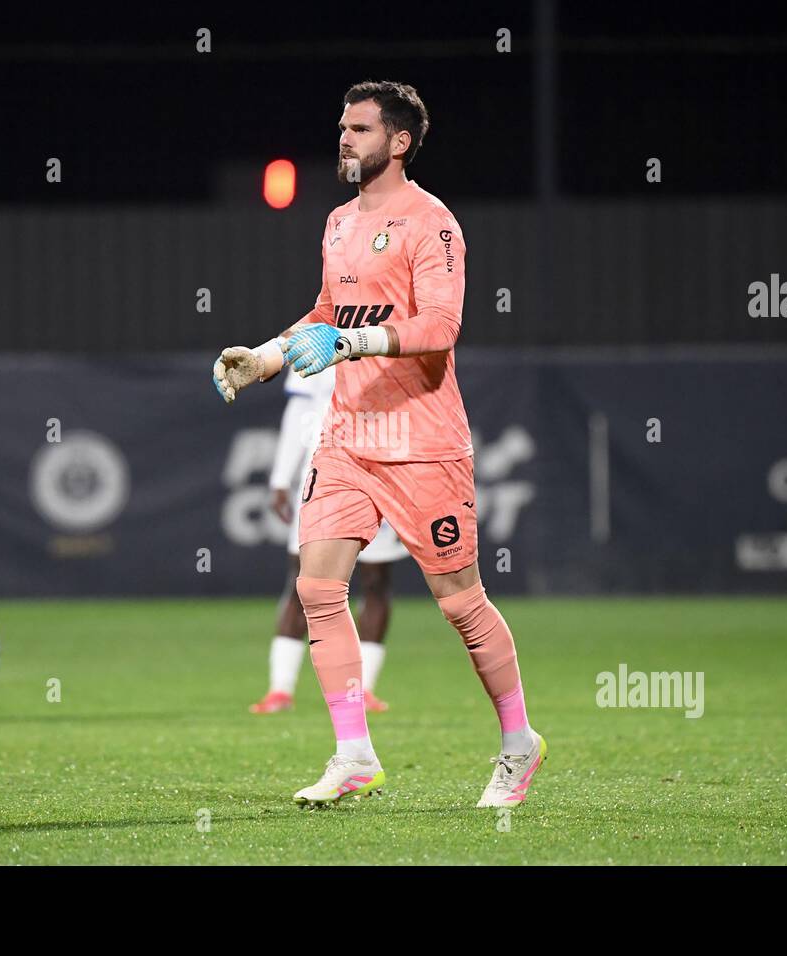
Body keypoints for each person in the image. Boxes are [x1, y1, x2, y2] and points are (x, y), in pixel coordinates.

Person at [212, 81, 544, 808]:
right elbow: (328, 314)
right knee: (317, 587)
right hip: (347, 439)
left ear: (398, 142)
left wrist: (351, 342)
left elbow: (440, 327)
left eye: (360, 129)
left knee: (460, 603)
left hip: (423, 442)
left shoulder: (435, 224)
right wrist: (267, 357)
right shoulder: (335, 223)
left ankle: (519, 742)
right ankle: (353, 754)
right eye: (342, 127)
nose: (344, 139)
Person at [250, 363, 408, 715]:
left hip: (380, 471)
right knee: (303, 581)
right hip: (323, 472)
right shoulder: (321, 337)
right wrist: (281, 477)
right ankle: (280, 689)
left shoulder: (396, 337)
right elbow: (300, 410)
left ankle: (363, 689)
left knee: (376, 579)